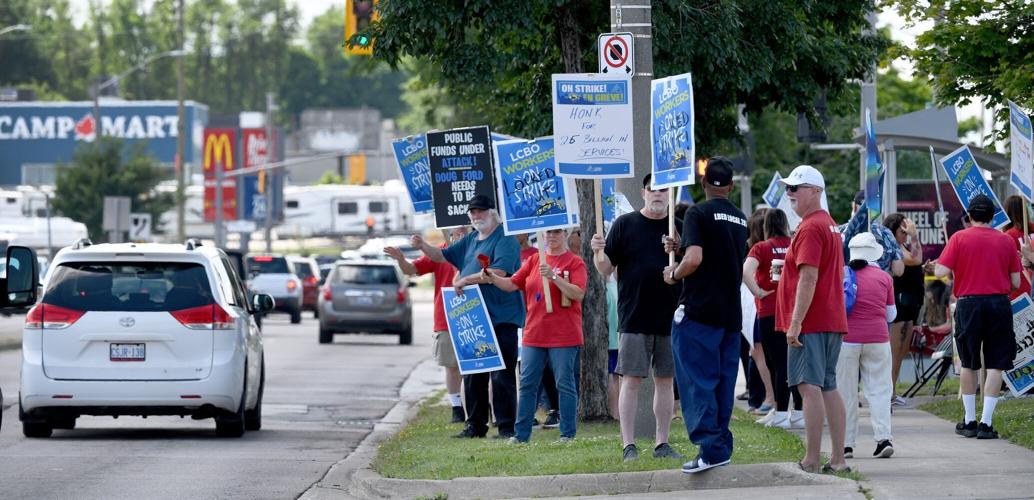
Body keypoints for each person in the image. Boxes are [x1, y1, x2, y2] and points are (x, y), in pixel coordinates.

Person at [411, 194, 525, 439]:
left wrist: (465, 279)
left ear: (492, 213)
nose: (476, 216)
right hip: (474, 317)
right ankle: (475, 426)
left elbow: (498, 271)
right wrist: (423, 246)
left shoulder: (504, 237)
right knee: (474, 373)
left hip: (501, 316)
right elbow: (442, 256)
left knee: (502, 374)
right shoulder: (471, 238)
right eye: (472, 212)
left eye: (481, 211)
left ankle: (506, 427)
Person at [662, 157, 748, 473]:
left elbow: (696, 258)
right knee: (723, 383)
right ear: (730, 185)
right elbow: (720, 255)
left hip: (698, 311)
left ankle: (710, 449)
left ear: (703, 184)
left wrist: (674, 272)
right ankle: (720, 445)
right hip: (730, 313)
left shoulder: (698, 212)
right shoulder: (741, 218)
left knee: (697, 381)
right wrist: (684, 245)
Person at [591, 173, 683, 462]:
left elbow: (690, 267)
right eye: (651, 189)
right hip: (634, 316)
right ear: (643, 193)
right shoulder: (625, 224)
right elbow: (605, 268)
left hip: (670, 317)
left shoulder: (677, 229)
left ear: (669, 194)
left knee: (665, 381)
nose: (657, 194)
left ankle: (662, 443)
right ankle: (628, 444)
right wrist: (597, 252)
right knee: (630, 380)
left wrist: (677, 252)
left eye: (662, 190)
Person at [776, 165, 850, 474]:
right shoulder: (828, 224)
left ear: (816, 192)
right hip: (830, 318)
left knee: (809, 387)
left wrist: (795, 324)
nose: (790, 193)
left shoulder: (809, 227)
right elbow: (809, 274)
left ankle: (812, 459)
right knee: (828, 386)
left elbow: (809, 278)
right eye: (788, 187)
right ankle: (838, 458)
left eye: (797, 187)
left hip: (812, 322)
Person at [486, 228, 586, 443]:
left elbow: (578, 293)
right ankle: (521, 435)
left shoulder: (574, 262)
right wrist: (492, 277)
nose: (552, 236)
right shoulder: (533, 260)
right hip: (534, 332)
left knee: (564, 383)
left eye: (557, 232)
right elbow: (512, 284)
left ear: (566, 234)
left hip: (563, 334)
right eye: (548, 233)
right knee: (527, 383)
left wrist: (554, 277)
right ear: (541, 235)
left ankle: (568, 433)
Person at [934, 194, 1021, 440]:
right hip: (998, 304)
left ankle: (969, 420)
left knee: (969, 362)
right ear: (993, 216)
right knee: (996, 363)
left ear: (969, 216)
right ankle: (986, 422)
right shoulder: (1005, 241)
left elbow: (941, 271)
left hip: (968, 305)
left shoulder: (958, 238)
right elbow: (1015, 281)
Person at [385, 225, 470, 424]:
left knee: (473, 368)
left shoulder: (477, 248)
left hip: (474, 314)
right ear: (448, 232)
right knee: (452, 366)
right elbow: (411, 270)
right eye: (457, 230)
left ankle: (476, 409)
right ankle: (456, 408)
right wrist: (400, 259)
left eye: (465, 228)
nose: (461, 232)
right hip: (446, 316)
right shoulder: (439, 252)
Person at [838, 232, 897, 460]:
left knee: (845, 392)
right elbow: (891, 314)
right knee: (880, 390)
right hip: (878, 339)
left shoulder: (841, 275)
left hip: (846, 340)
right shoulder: (884, 278)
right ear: (874, 253)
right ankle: (884, 439)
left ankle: (846, 445)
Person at [744, 208, 804, 429]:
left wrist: (758, 291)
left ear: (766, 225)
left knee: (777, 364)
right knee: (794, 363)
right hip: (795, 310)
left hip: (769, 311)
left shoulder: (761, 247)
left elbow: (745, 271)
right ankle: (797, 411)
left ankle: (780, 413)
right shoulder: (795, 243)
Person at [883, 213, 925, 406]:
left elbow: (916, 262)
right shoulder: (893, 247)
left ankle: (892, 391)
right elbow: (915, 260)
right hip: (898, 303)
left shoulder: (903, 247)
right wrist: (915, 235)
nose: (906, 235)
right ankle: (887, 393)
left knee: (901, 351)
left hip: (910, 304)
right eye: (903, 231)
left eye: (907, 232)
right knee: (894, 350)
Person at [741, 209, 775, 415]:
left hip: (757, 306)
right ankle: (773, 396)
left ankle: (770, 397)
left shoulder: (757, 250)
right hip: (774, 306)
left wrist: (759, 292)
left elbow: (745, 274)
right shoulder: (777, 247)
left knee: (760, 354)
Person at [840, 191, 904, 277]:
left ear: (854, 207)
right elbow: (898, 271)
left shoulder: (840, 232)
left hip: (849, 287)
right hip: (879, 286)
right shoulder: (886, 234)